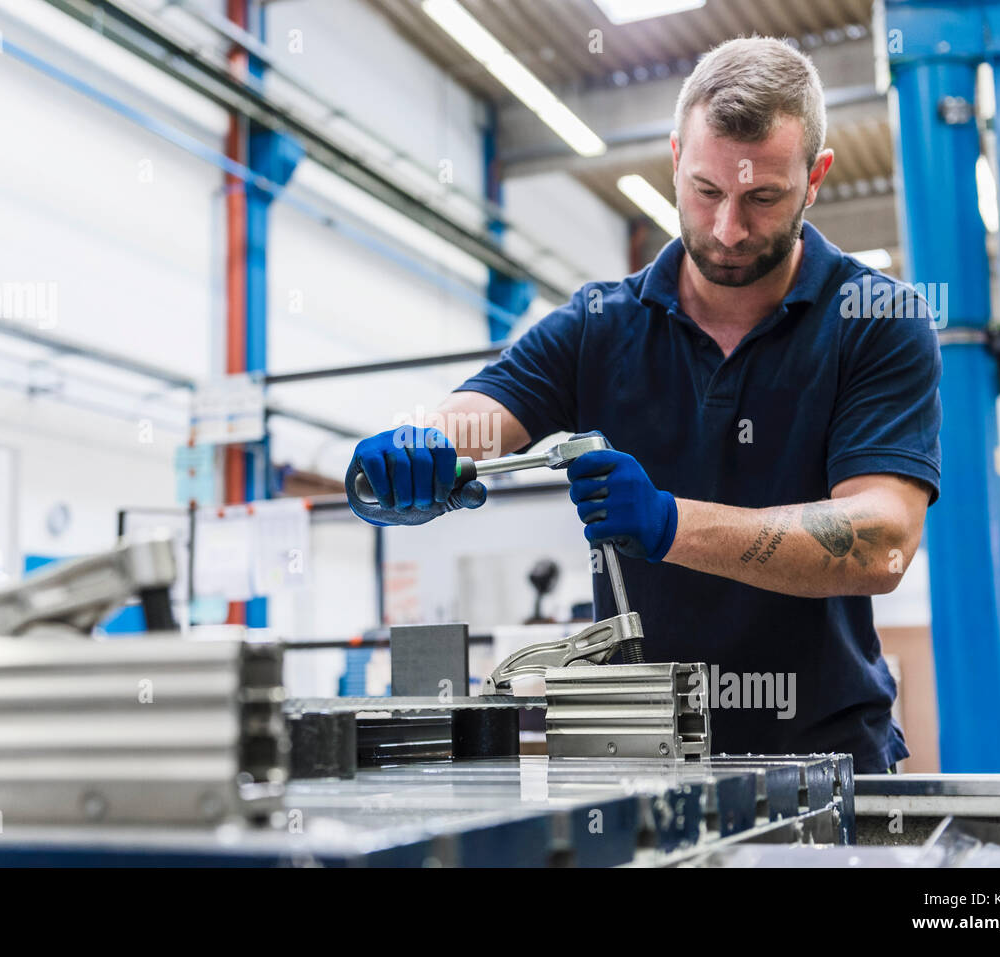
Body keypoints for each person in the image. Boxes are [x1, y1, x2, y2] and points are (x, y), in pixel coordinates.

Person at [345, 37, 940, 774]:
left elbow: (882, 541)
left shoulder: (875, 319)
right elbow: (483, 413)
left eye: (763, 198)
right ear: (674, 158)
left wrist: (668, 523)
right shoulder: (602, 324)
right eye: (706, 190)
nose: (728, 230)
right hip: (636, 761)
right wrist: (420, 451)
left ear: (815, 177)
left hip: (824, 758)